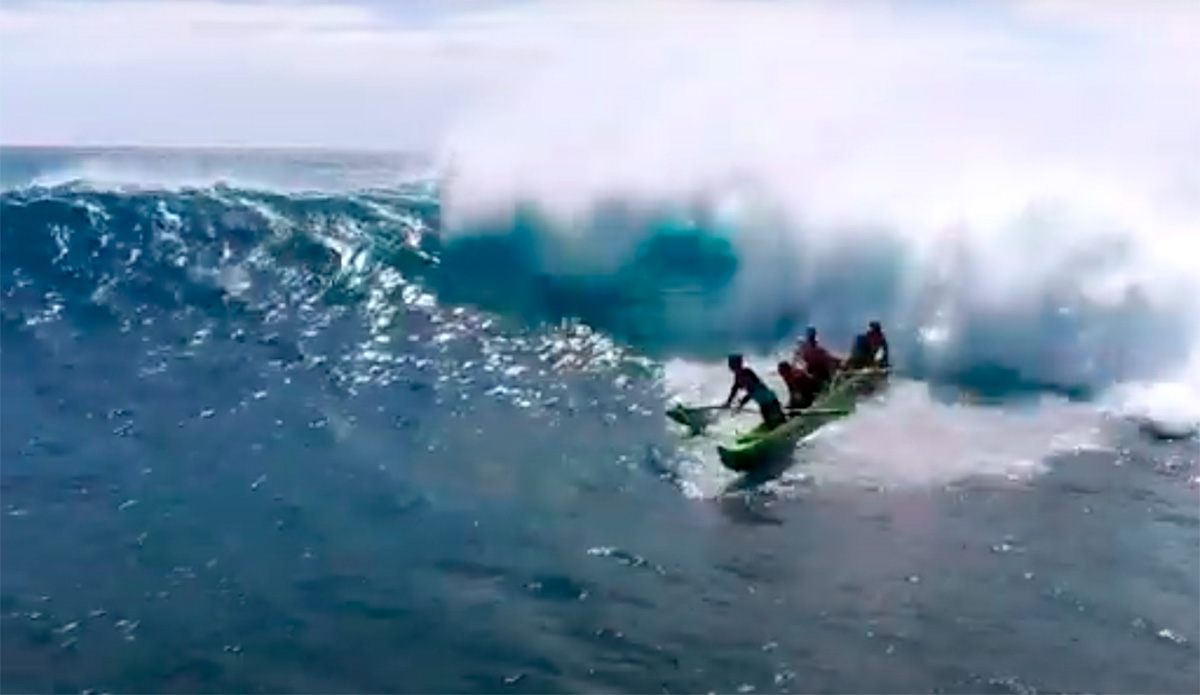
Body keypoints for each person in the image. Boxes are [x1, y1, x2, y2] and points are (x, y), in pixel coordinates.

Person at [724, 354, 787, 429]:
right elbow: (734, 391)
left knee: (780, 422)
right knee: (770, 424)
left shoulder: (746, 373)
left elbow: (753, 390)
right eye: (730, 364)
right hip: (762, 403)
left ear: (739, 363)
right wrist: (728, 403)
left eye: (733, 364)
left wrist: (741, 404)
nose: (731, 366)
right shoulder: (738, 378)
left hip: (770, 401)